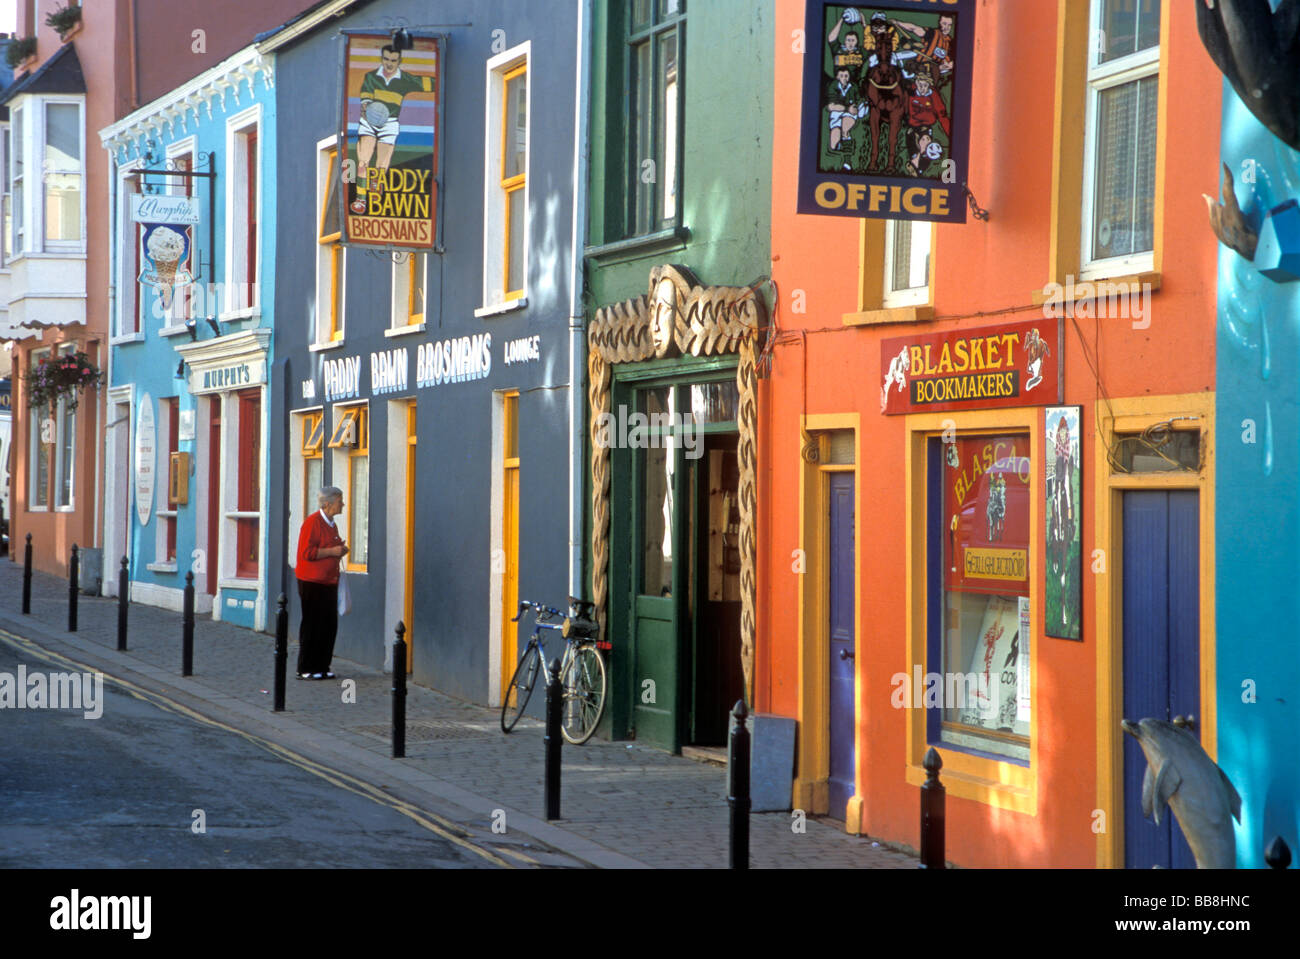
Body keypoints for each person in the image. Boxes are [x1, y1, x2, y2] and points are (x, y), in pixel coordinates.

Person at [351, 44, 437, 214]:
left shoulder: (405, 79)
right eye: (386, 59)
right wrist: (367, 107)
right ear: (382, 59)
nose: (389, 63)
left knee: (381, 165)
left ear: (399, 61)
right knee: (363, 160)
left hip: (390, 123)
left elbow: (430, 83)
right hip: (369, 120)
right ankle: (360, 200)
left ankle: (375, 194)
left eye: (393, 60)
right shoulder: (371, 77)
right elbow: (365, 98)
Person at [295, 487, 349, 680]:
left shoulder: (331, 524)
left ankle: (323, 665)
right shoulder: (312, 523)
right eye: (339, 501)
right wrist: (333, 552)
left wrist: (340, 549)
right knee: (312, 624)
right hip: (312, 582)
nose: (342, 504)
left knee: (328, 625)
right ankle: (306, 667)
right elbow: (306, 553)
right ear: (327, 504)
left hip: (329, 581)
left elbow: (328, 547)